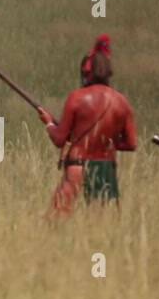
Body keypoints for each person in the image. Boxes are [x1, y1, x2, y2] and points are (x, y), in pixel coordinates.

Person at [36, 34, 137, 217]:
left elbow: (59, 139)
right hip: (106, 168)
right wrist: (110, 141)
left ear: (86, 73)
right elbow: (131, 144)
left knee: (55, 220)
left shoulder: (77, 98)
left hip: (78, 166)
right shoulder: (122, 103)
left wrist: (49, 123)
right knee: (101, 227)